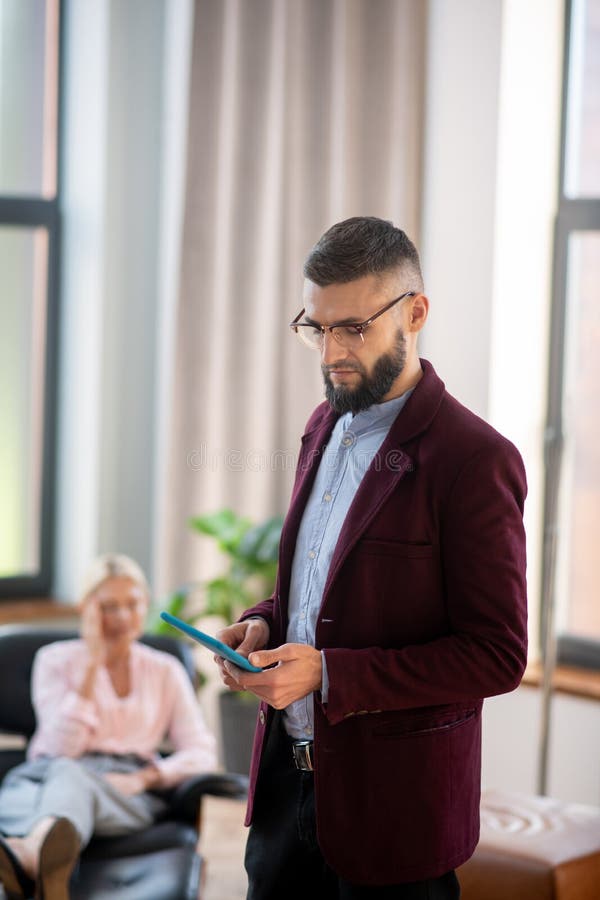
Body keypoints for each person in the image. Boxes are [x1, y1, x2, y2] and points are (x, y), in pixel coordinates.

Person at [214, 217, 528, 899]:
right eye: (316, 327)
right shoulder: (323, 425)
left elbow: (497, 654)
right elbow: (315, 590)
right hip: (283, 798)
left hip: (396, 821)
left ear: (415, 313)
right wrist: (263, 624)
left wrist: (328, 674)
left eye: (353, 328)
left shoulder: (475, 461)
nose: (331, 353)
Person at [0, 553, 217, 900]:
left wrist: (146, 778)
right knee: (65, 775)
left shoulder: (164, 670)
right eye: (108, 606)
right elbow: (59, 752)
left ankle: (29, 856)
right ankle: (46, 855)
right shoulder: (54, 660)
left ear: (146, 605)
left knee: (68, 781)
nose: (121, 617)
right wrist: (92, 666)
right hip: (41, 779)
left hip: (124, 791)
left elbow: (202, 752)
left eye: (132, 604)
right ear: (86, 607)